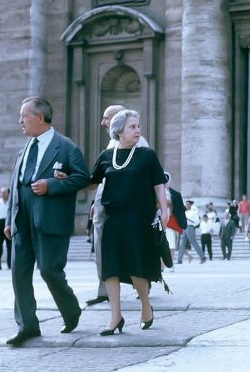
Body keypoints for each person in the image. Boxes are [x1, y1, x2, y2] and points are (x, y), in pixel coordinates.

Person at [5, 97, 89, 346]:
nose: (20, 121)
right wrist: (10, 219)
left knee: (49, 271)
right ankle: (27, 326)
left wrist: (52, 185)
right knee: (19, 273)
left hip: (50, 217)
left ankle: (71, 310)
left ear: (39, 117)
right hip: (22, 217)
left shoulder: (65, 147)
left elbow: (83, 177)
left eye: (24, 116)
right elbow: (15, 187)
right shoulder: (24, 149)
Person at [89, 109, 169, 335]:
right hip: (112, 219)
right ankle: (115, 317)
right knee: (110, 269)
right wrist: (66, 181)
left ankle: (146, 306)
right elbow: (92, 182)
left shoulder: (146, 155)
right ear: (119, 132)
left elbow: (158, 184)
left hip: (138, 220)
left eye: (138, 126)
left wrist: (164, 208)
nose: (138, 130)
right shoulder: (106, 156)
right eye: (132, 127)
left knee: (136, 269)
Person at [87, 104, 150, 307]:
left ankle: (142, 288)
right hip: (106, 205)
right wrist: (95, 202)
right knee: (102, 246)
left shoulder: (139, 144)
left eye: (106, 118)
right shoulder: (110, 145)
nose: (102, 122)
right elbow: (101, 178)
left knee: (133, 247)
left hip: (128, 208)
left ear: (117, 120)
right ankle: (105, 290)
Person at [177, 200, 206, 264]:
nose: (186, 205)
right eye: (186, 204)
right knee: (182, 244)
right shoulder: (185, 212)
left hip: (190, 227)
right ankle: (179, 260)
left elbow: (197, 221)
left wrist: (193, 225)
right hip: (185, 228)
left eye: (188, 204)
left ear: (190, 205)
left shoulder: (193, 212)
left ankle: (203, 257)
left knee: (194, 243)